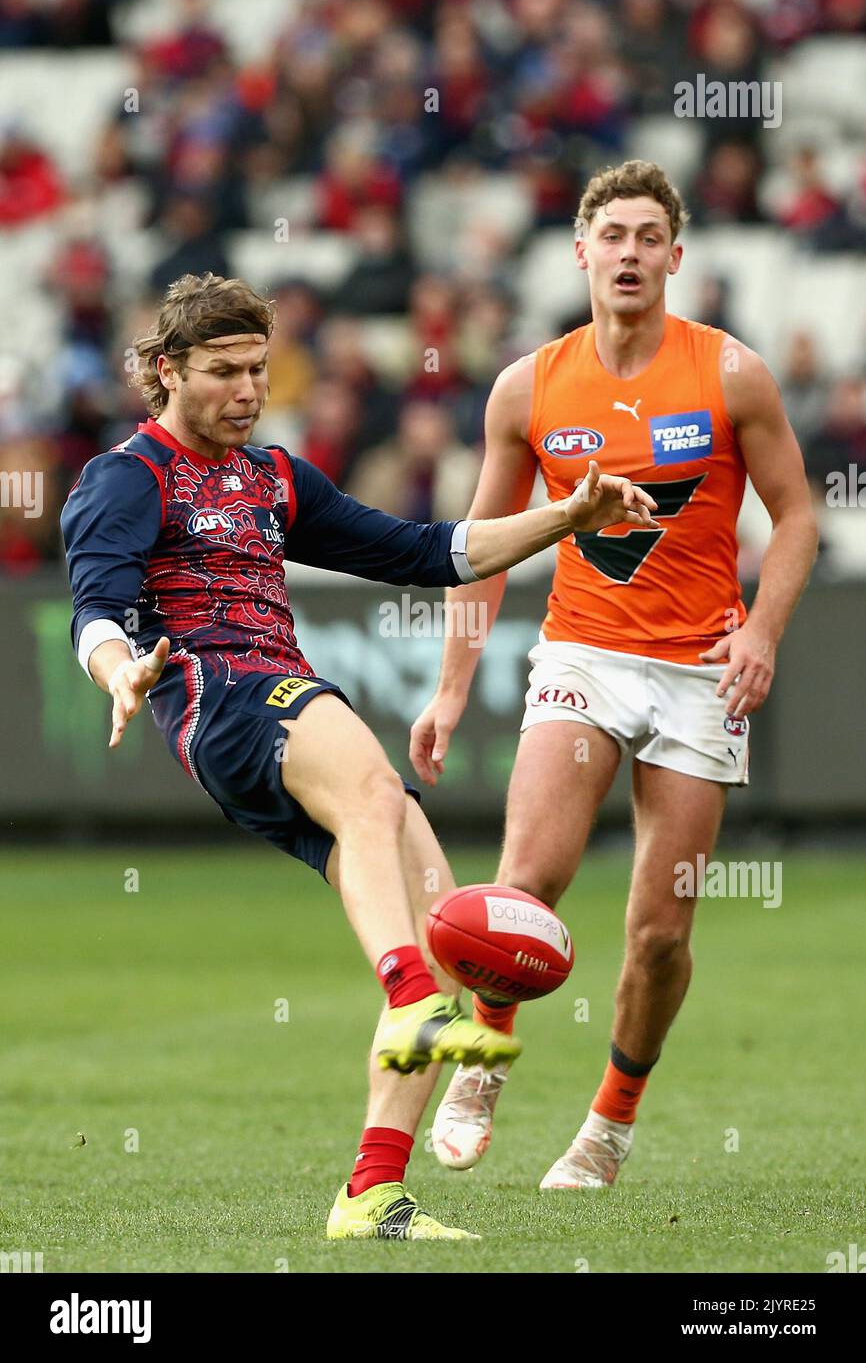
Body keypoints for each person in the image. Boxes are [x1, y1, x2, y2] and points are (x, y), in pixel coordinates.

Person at [60, 270, 658, 1240]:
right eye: (222, 371)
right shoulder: (128, 476)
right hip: (225, 701)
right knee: (379, 788)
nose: (247, 390)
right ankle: (406, 997)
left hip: (274, 718)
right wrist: (118, 670)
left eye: (257, 369)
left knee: (444, 917)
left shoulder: (275, 477)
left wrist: (566, 516)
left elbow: (429, 550)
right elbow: (95, 606)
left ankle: (372, 1191)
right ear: (164, 371)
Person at [410, 160, 817, 1190]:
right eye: (612, 235)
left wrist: (760, 631)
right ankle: (483, 1065)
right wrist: (452, 685)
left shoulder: (729, 374)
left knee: (655, 934)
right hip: (582, 653)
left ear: (674, 257)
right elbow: (482, 546)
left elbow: (799, 515)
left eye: (648, 236)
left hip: (697, 670)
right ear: (579, 251)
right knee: (527, 878)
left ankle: (608, 1125)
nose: (629, 253)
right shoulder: (527, 387)